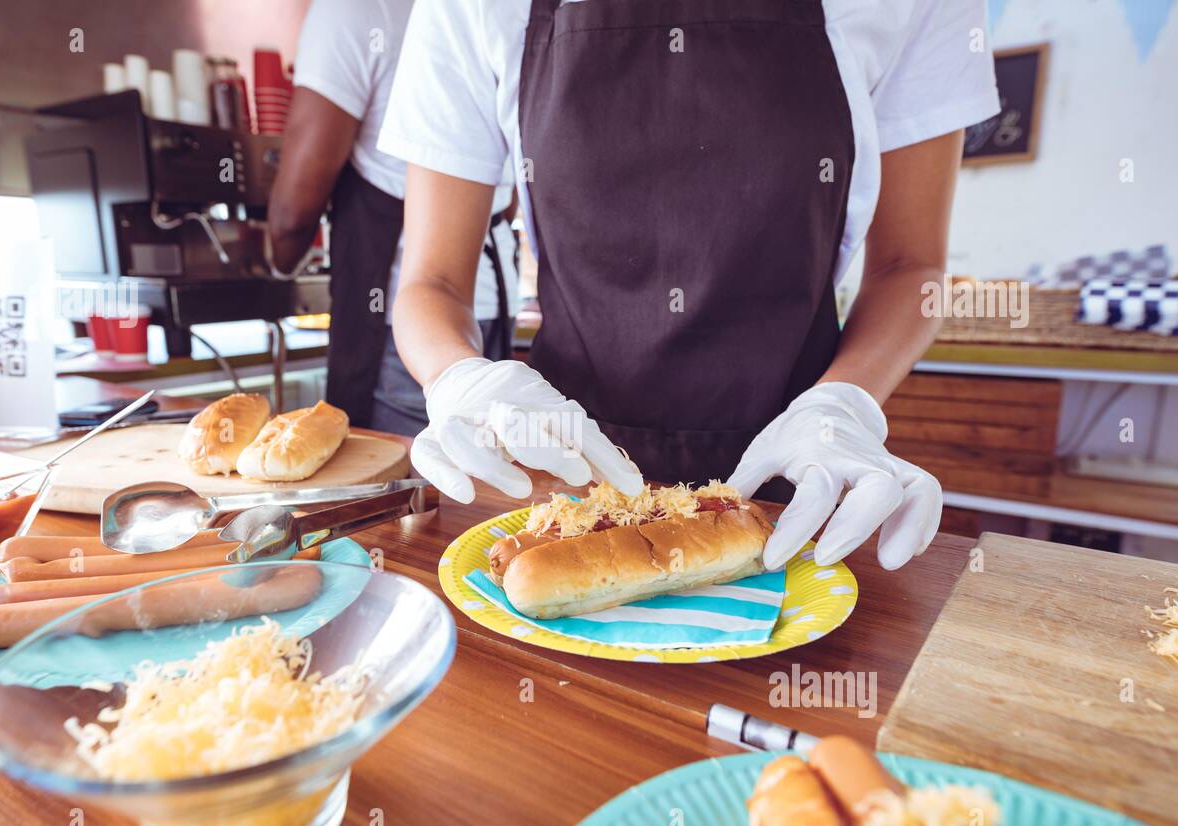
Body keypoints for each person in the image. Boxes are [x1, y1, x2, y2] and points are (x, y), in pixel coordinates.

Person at [377, 0, 999, 570]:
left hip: (799, 475)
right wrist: (457, 376)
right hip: (560, 475)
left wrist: (844, 406)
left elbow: (910, 268)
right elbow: (432, 281)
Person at [266, 0, 520, 436]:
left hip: (407, 329)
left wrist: (277, 265)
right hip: (495, 303)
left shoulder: (350, 11)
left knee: (405, 488)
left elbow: (293, 209)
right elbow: (512, 195)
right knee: (488, 484)